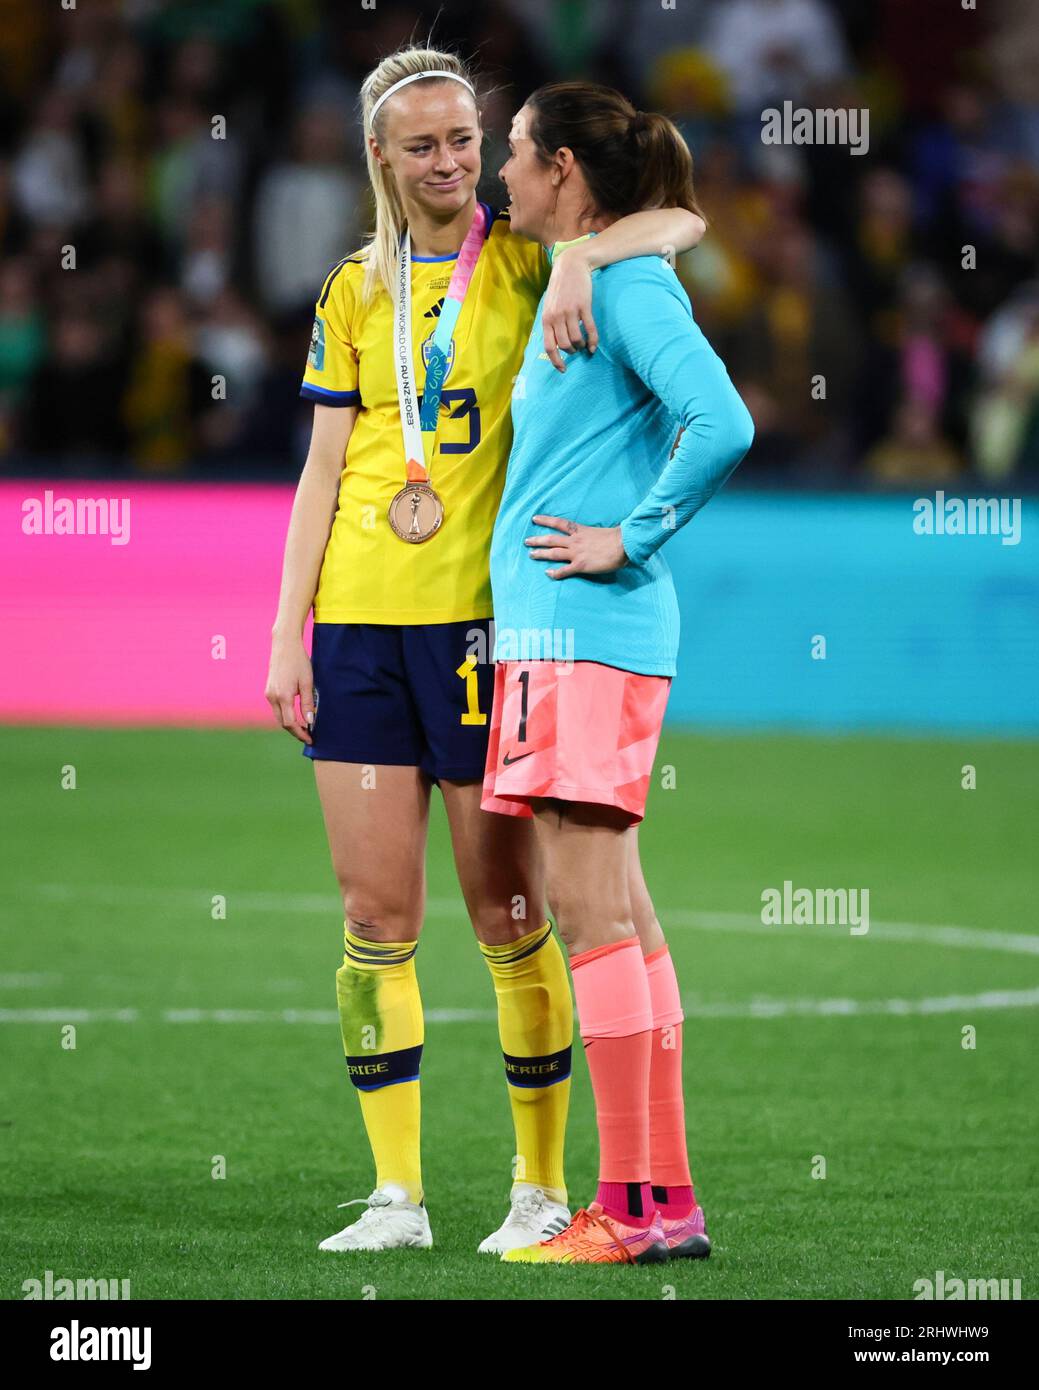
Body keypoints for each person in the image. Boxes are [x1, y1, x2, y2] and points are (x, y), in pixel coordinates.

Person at [264, 46, 707, 1255]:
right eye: (424, 144)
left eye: (468, 137)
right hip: (358, 623)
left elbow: (677, 209)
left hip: (482, 624)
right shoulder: (352, 289)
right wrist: (286, 630)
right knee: (371, 915)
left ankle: (539, 1186)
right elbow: (319, 469)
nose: (453, 160)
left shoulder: (534, 261)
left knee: (511, 914)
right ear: (381, 157)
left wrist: (582, 248)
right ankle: (396, 1197)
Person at [483, 81, 755, 1265]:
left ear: (563, 172)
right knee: (625, 919)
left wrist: (627, 535)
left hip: (575, 633)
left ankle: (627, 1210)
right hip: (584, 640)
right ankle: (666, 1199)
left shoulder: (628, 284)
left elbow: (724, 421)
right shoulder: (599, 265)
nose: (497, 172)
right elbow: (676, 216)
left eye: (510, 153)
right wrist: (590, 251)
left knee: (587, 918)